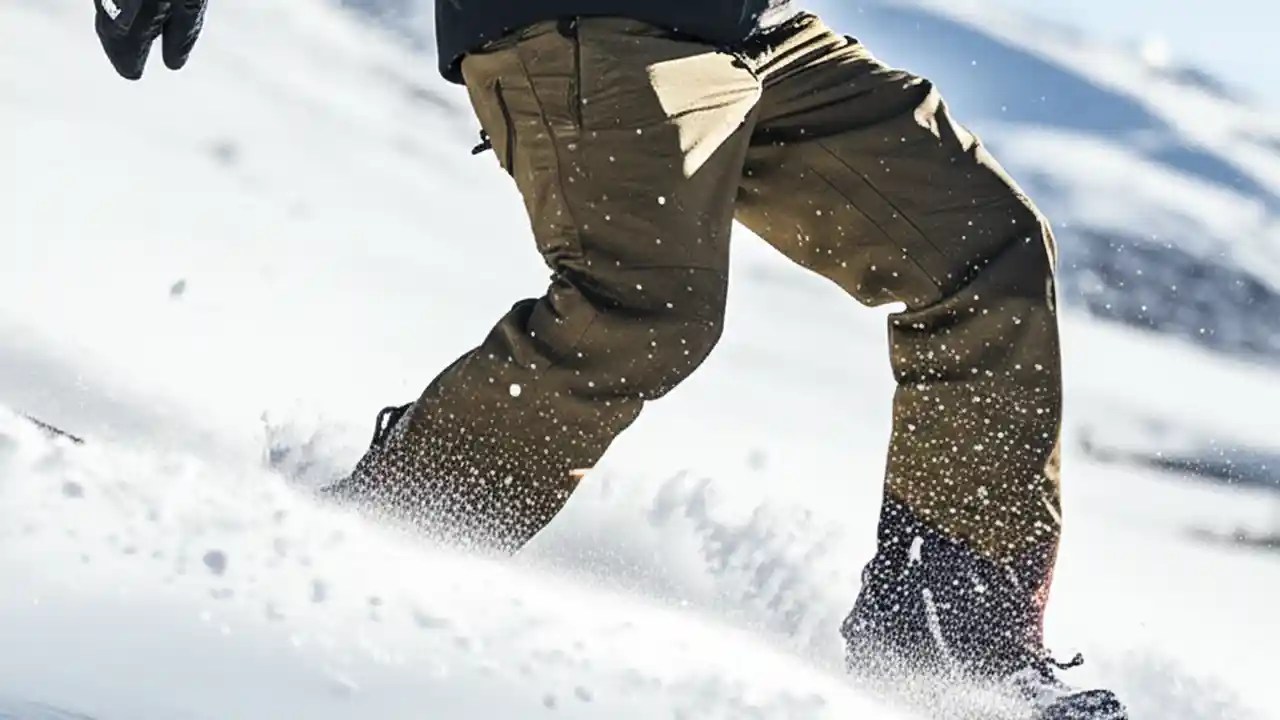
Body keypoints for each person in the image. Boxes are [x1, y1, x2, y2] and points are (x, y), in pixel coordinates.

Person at [94, 1, 1127, 716]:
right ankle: (378, 540)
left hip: (747, 29)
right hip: (578, 22)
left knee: (978, 254)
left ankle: (948, 641)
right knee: (643, 304)